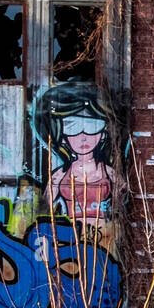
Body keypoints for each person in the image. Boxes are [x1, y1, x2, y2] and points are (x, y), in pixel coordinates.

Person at [36, 81, 120, 224]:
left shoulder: (108, 172)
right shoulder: (59, 175)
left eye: (91, 126)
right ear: (62, 136)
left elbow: (125, 203)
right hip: (70, 237)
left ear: (103, 133)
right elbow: (44, 211)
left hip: (105, 235)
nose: (83, 137)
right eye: (72, 126)